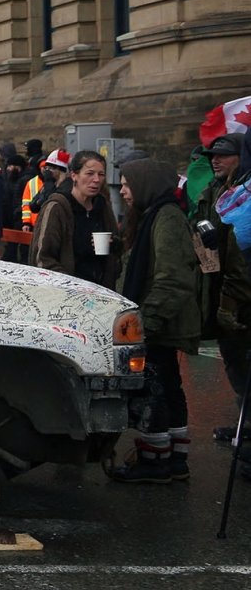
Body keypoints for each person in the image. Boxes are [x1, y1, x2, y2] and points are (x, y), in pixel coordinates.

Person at [109, 158, 203, 484]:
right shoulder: (156, 215)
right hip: (162, 321)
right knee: (168, 386)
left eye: (127, 183)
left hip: (161, 323)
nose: (122, 189)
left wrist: (144, 324)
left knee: (155, 389)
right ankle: (175, 460)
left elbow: (173, 278)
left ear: (146, 184)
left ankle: (154, 461)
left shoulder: (167, 218)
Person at [193, 135, 251, 444]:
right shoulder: (210, 192)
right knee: (232, 355)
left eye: (223, 155)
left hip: (242, 286)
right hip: (217, 283)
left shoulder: (246, 192)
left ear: (241, 156)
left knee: (244, 354)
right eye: (212, 155)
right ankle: (245, 420)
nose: (215, 159)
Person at [32, 150, 120, 285]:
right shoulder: (57, 207)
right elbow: (43, 258)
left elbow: (118, 249)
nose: (96, 179)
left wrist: (114, 244)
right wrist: (73, 286)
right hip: (69, 294)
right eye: (90, 174)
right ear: (74, 175)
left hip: (102, 291)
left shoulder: (102, 207)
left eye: (101, 174)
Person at [22, 149, 69, 229]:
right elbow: (34, 206)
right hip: (43, 225)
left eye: (51, 168)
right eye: (47, 168)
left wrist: (49, 183)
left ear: (60, 170)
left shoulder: (67, 186)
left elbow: (50, 200)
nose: (47, 171)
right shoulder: (48, 184)